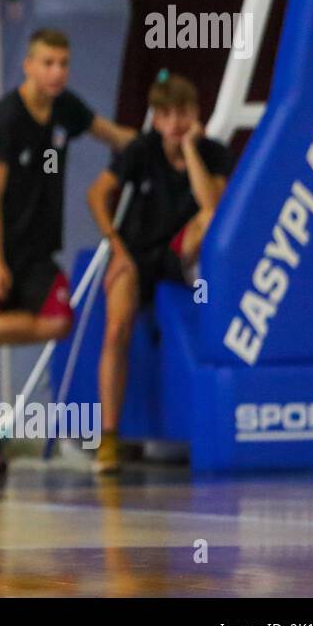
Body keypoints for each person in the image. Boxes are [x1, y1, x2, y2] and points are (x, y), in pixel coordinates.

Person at [0, 29, 134, 474]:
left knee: (58, 319)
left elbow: (112, 135)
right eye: (48, 63)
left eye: (63, 63)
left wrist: (157, 142)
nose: (57, 72)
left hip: (37, 245)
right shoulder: (4, 117)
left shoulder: (66, 109)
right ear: (29, 65)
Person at [87, 73, 230, 474]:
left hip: (180, 252)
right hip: (134, 255)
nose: (175, 122)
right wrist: (115, 246)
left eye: (183, 113)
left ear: (196, 114)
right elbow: (96, 194)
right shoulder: (140, 150)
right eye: (166, 114)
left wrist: (190, 149)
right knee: (117, 330)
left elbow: (211, 203)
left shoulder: (214, 153)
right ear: (156, 117)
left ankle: (195, 277)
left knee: (207, 216)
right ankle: (109, 438)